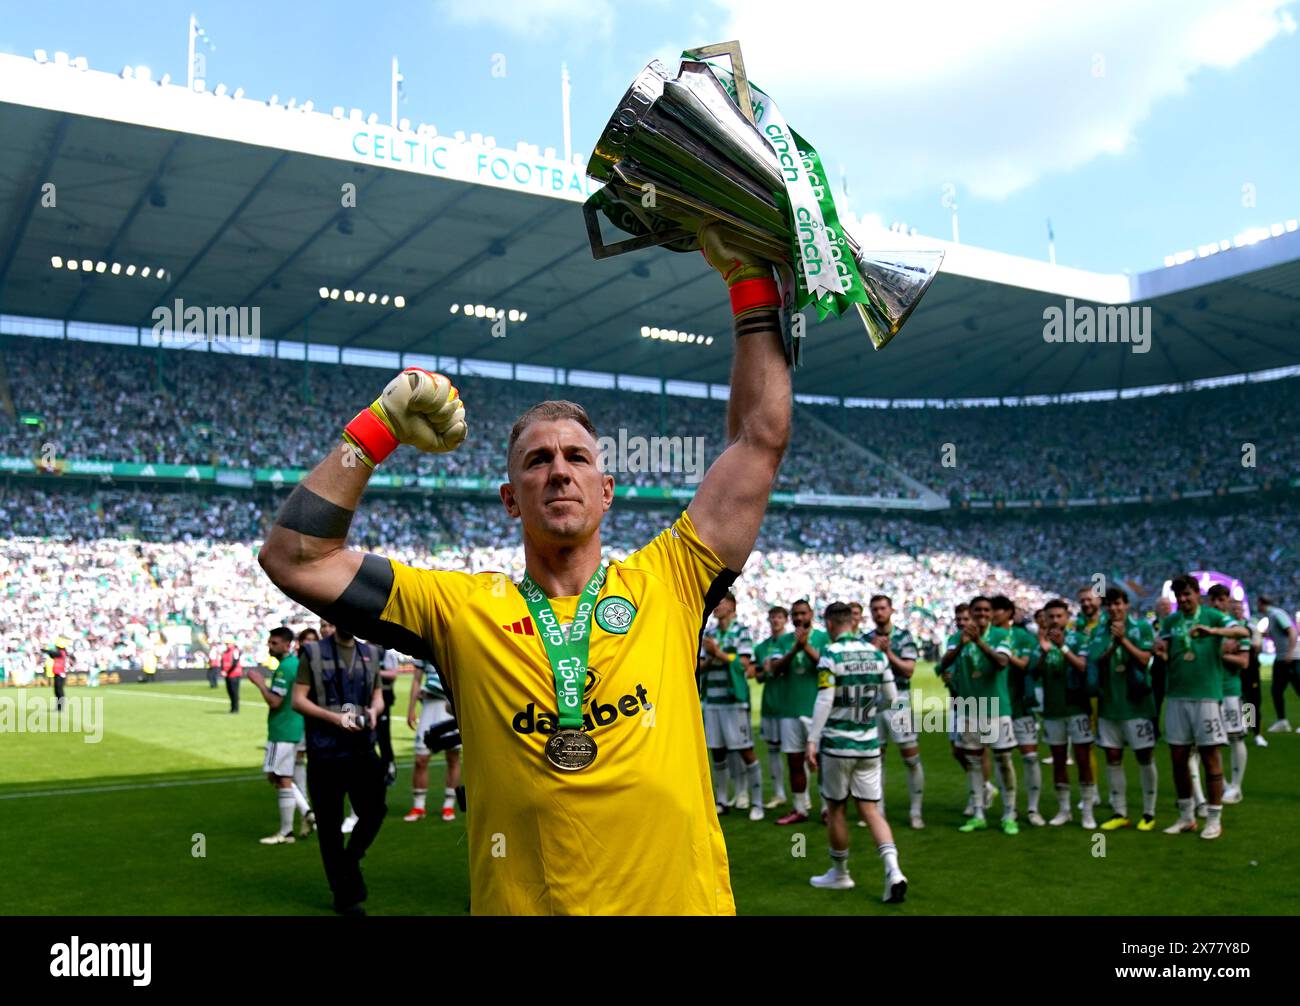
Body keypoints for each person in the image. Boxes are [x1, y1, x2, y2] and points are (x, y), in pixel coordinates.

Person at [257, 222, 792, 916]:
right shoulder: (458, 610)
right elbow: (296, 555)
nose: (559, 472)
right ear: (512, 499)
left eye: (578, 458)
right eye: (538, 461)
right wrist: (379, 426)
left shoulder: (673, 578)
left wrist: (749, 278)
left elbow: (761, 438)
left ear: (607, 490)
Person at [806, 602, 907, 903]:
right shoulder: (876, 654)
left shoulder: (831, 654)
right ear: (853, 621)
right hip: (868, 743)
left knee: (836, 809)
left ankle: (840, 874)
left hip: (838, 744)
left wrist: (812, 740)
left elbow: (825, 700)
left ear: (829, 624)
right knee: (871, 810)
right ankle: (894, 870)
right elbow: (892, 698)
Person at [292, 625, 388, 914]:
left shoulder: (370, 652)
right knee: (330, 828)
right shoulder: (312, 652)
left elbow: (378, 696)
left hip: (361, 748)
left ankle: (350, 860)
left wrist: (373, 711)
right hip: (326, 753)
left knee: (375, 810)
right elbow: (298, 700)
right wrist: (334, 719)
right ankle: (344, 896)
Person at [1154, 574, 1247, 839]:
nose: (1183, 600)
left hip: (1207, 696)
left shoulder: (1213, 616)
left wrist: (1214, 632)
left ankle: (1215, 818)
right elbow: (1165, 647)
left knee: (1210, 756)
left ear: (1197, 595)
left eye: (1188, 594)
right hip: (1177, 696)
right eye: (1179, 596)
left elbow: (1243, 631)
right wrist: (1159, 649)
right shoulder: (1170, 621)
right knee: (1178, 758)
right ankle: (1186, 816)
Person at [1090, 587, 1158, 831]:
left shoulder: (1142, 628)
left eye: (1118, 603)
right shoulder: (1099, 631)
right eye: (1109, 604)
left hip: (1137, 704)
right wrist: (1112, 643)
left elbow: (1144, 659)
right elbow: (1096, 661)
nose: (1114, 608)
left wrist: (1123, 641)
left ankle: (1149, 813)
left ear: (1127, 605)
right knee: (1112, 757)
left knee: (1144, 756)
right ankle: (1120, 812)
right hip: (1110, 704)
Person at [954, 596, 1018, 834]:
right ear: (970, 612)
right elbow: (945, 663)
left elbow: (1002, 662)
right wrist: (962, 644)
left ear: (991, 614)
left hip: (997, 708)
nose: (981, 613)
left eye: (985, 610)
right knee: (972, 762)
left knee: (1003, 760)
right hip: (970, 708)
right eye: (977, 610)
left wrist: (978, 642)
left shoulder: (1002, 636)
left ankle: (1009, 814)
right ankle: (978, 813)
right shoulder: (958, 637)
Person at [1033, 598, 1098, 829]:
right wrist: (1042, 652)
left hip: (1077, 708)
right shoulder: (1041, 642)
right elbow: (1033, 672)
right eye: (1050, 616)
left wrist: (1062, 647)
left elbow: (1082, 666)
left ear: (1067, 618)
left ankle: (1088, 811)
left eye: (1059, 616)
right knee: (1059, 760)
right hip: (1053, 710)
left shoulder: (1078, 639)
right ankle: (1064, 810)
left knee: (1082, 760)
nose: (1055, 620)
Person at [246, 626, 314, 844]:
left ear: (287, 644)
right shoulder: (297, 664)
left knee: (280, 777)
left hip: (282, 729)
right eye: (269, 642)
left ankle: (288, 830)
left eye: (274, 643)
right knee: (279, 776)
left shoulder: (285, 668)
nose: (270, 646)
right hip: (295, 726)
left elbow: (275, 701)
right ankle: (305, 815)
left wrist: (260, 684)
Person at [699, 592, 761, 820]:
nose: (715, 605)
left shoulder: (742, 632)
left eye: (720, 601)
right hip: (712, 701)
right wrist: (712, 658)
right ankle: (722, 800)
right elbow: (702, 665)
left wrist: (718, 654)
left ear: (732, 606)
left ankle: (757, 802)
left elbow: (744, 664)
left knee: (745, 750)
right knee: (717, 752)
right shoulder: (710, 633)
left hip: (734, 702)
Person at [866, 594, 924, 830]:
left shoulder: (903, 637)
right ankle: (878, 811)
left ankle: (916, 811)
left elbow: (909, 671)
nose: (879, 612)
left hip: (899, 701)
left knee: (911, 758)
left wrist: (887, 654)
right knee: (875, 761)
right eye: (875, 609)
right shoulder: (864, 639)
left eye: (882, 608)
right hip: (872, 703)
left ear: (891, 610)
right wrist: (872, 653)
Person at [772, 598, 829, 826]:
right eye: (795, 614)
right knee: (795, 761)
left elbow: (827, 666)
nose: (798, 618)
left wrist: (805, 647)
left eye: (802, 613)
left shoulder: (823, 638)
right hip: (790, 709)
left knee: (824, 761)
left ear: (811, 614)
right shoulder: (784, 640)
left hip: (817, 708)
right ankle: (800, 808)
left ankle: (828, 808)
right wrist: (794, 648)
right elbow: (774, 669)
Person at [999, 597, 1045, 826]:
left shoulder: (1023, 636)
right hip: (996, 709)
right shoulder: (986, 637)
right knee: (1003, 758)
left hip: (1021, 705)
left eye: (998, 610)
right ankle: (1009, 810)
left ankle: (1033, 809)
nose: (993, 614)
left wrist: (1005, 657)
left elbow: (1027, 666)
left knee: (1030, 756)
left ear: (1008, 613)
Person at [404, 654, 461, 822]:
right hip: (430, 705)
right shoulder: (425, 641)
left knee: (453, 756)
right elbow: (416, 679)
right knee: (421, 759)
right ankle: (418, 806)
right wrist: (411, 708)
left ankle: (449, 806)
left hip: (450, 705)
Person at [1206, 585, 1248, 803]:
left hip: (1230, 691)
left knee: (1235, 737)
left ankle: (1237, 786)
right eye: (1213, 599)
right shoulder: (1204, 626)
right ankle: (1222, 784)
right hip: (1208, 691)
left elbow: (1244, 662)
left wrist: (1218, 654)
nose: (1217, 604)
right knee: (1212, 741)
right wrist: (1221, 651)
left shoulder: (1238, 628)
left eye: (1221, 600)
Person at [754, 605, 791, 810]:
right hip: (770, 704)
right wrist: (764, 672)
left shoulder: (792, 642)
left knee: (796, 752)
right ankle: (779, 793)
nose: (776, 621)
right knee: (773, 750)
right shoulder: (761, 647)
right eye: (773, 617)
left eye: (779, 617)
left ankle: (801, 796)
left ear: (786, 620)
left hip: (791, 704)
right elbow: (758, 676)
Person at [1258, 595, 1298, 732]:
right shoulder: (1271, 616)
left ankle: (1281, 721)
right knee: (1276, 690)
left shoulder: (1276, 614)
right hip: (1282, 658)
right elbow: (1280, 634)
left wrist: (1290, 652)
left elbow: (1292, 631)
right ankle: (1282, 721)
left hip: (1291, 658)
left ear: (1260, 603)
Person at [1233, 599, 1266, 748]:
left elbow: (1258, 646)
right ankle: (1238, 729)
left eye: (1239, 609)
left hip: (1250, 670)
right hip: (1232, 670)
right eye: (1234, 609)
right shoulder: (1226, 627)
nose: (1237, 611)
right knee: (1235, 700)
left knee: (1251, 701)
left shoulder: (1251, 627)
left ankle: (1256, 733)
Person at [43, 637, 74, 711]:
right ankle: (58, 707)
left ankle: (60, 707)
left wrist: (46, 650)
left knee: (59, 691)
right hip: (57, 674)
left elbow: (53, 653)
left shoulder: (61, 652)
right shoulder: (60, 652)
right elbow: (52, 655)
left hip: (60, 674)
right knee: (56, 691)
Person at [220, 638, 243, 713]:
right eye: (226, 644)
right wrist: (223, 670)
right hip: (228, 675)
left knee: (234, 692)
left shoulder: (235, 651)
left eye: (228, 643)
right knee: (230, 691)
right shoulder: (225, 652)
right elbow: (223, 662)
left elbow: (235, 663)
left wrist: (227, 671)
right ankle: (232, 708)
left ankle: (235, 709)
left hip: (235, 674)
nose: (227, 645)